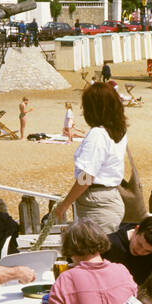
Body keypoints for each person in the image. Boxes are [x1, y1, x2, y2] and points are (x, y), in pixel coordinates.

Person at [53, 82, 128, 234]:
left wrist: (65, 205)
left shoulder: (98, 134)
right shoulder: (118, 131)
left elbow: (87, 177)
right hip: (110, 198)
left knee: (93, 246)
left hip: (97, 204)